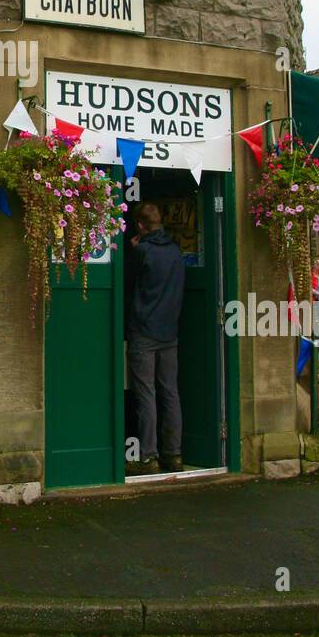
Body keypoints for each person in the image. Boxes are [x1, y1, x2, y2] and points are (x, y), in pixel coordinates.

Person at [126, 201, 186, 474]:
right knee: (170, 393)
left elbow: (127, 280)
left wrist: (133, 250)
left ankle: (149, 457)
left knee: (146, 394)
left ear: (140, 226)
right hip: (169, 331)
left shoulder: (143, 251)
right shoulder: (175, 251)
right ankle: (174, 454)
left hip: (144, 330)